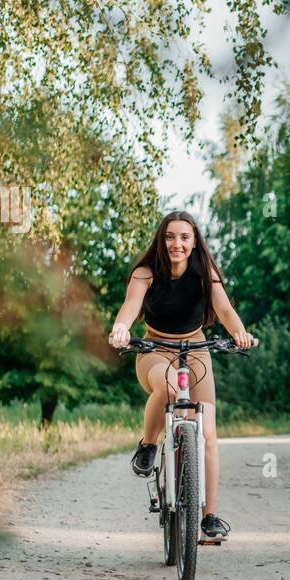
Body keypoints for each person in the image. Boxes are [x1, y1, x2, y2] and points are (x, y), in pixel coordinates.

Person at [107, 210, 254, 543]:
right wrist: (121, 327)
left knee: (208, 432)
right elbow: (131, 306)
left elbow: (225, 310)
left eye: (184, 237)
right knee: (171, 385)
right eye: (170, 237)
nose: (177, 244)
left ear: (194, 241)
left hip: (196, 349)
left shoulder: (205, 273)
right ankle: (147, 445)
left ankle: (209, 518)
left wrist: (240, 332)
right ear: (162, 240)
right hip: (154, 349)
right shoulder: (146, 273)